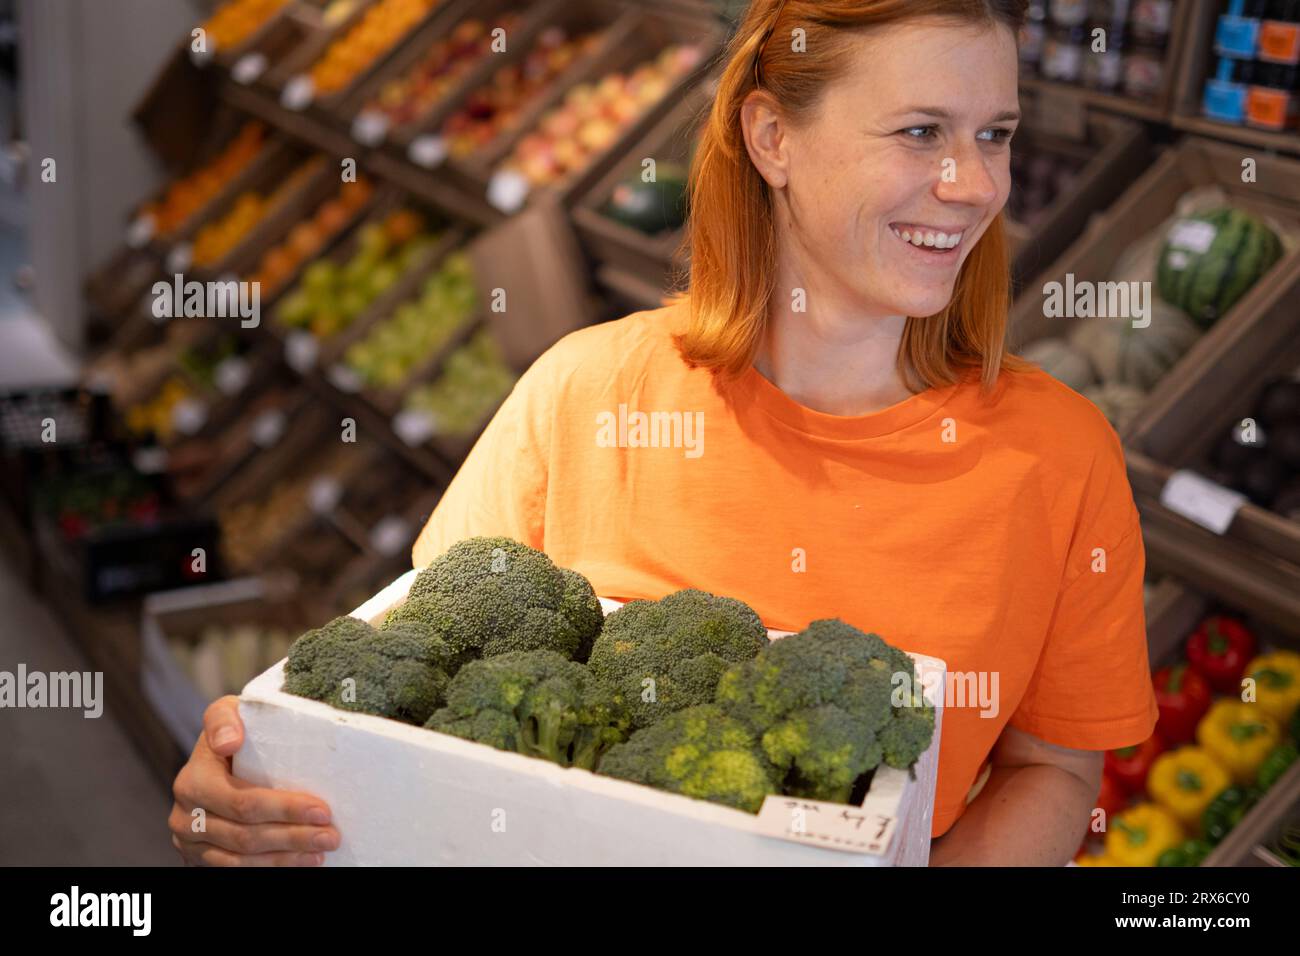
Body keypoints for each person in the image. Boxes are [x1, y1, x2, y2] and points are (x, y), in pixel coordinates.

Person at [171, 0, 1158, 866]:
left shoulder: (1058, 455)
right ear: (771, 137)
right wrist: (260, 777)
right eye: (919, 131)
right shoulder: (585, 390)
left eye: (995, 134)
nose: (975, 183)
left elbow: (1054, 771)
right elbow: (407, 688)